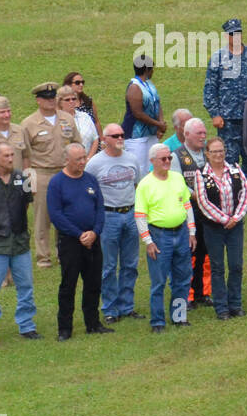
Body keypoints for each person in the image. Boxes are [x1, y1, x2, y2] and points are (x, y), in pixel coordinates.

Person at [47, 144, 109, 341]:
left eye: (84, 158)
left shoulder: (90, 179)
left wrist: (95, 232)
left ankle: (93, 323)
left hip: (93, 241)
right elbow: (56, 214)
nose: (83, 162)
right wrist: (79, 234)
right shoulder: (57, 183)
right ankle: (65, 328)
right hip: (70, 242)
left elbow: (100, 208)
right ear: (67, 160)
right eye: (78, 159)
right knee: (68, 285)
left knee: (93, 283)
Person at [0, 141, 41, 347]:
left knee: (25, 286)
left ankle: (27, 326)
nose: (10, 159)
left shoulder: (21, 178)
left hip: (20, 243)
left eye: (12, 155)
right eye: (6, 155)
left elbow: (25, 204)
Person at [85, 123, 144, 323]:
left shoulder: (132, 159)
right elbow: (88, 193)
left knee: (130, 263)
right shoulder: (94, 164)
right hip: (108, 216)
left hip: (130, 213)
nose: (121, 138)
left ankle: (127, 306)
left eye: (122, 134)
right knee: (109, 265)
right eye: (115, 135)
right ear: (105, 140)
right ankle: (110, 308)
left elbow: (138, 185)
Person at [134, 142, 196, 332]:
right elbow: (140, 215)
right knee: (159, 281)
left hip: (181, 232)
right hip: (159, 236)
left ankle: (178, 317)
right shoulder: (145, 185)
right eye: (163, 159)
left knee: (183, 278)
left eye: (169, 158)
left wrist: (192, 232)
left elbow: (187, 205)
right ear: (153, 161)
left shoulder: (177, 178)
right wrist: (148, 241)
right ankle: (158, 321)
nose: (168, 161)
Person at [21, 81, 79, 268]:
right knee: (42, 217)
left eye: (53, 98)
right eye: (46, 99)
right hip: (41, 173)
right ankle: (43, 257)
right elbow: (24, 154)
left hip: (65, 172)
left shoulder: (67, 119)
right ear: (38, 100)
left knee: (66, 214)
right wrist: (28, 181)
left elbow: (77, 143)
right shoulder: (29, 124)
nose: (51, 101)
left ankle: (64, 252)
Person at [192, 137, 247, 319]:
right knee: (217, 267)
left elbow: (245, 193)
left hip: (235, 226)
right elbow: (203, 202)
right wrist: (225, 220)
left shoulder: (235, 169)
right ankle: (221, 308)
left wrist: (236, 218)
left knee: (236, 265)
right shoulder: (200, 174)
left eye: (221, 150)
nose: (219, 154)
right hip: (213, 228)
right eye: (214, 151)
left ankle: (235, 304)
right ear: (207, 154)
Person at [203, 17, 247, 174]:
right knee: (229, 162)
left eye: (238, 33)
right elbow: (210, 88)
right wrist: (214, 114)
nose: (235, 36)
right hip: (227, 121)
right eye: (232, 34)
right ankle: (231, 195)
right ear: (226, 36)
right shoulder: (218, 57)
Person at [172, 118, 211, 305]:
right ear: (186, 135)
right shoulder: (176, 156)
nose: (203, 137)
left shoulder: (208, 154)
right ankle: (187, 295)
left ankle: (203, 292)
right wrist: (199, 196)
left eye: (204, 133)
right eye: (199, 133)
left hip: (209, 213)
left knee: (206, 252)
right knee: (189, 254)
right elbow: (177, 184)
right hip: (188, 212)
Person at [122, 54, 165, 176]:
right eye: (152, 68)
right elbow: (138, 114)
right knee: (139, 170)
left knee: (153, 168)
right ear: (147, 69)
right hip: (136, 137)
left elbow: (157, 103)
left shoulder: (149, 84)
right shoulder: (134, 87)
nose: (153, 71)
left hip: (151, 134)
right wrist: (158, 124)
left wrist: (161, 123)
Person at [58, 86, 97, 156]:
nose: (71, 101)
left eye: (73, 99)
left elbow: (95, 139)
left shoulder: (85, 116)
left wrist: (88, 158)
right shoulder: (56, 119)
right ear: (60, 102)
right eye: (67, 100)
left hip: (86, 160)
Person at [63, 71, 102, 141]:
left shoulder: (88, 101)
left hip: (92, 140)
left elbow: (96, 122)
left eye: (82, 82)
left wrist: (102, 140)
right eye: (77, 83)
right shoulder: (63, 103)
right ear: (68, 85)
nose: (81, 85)